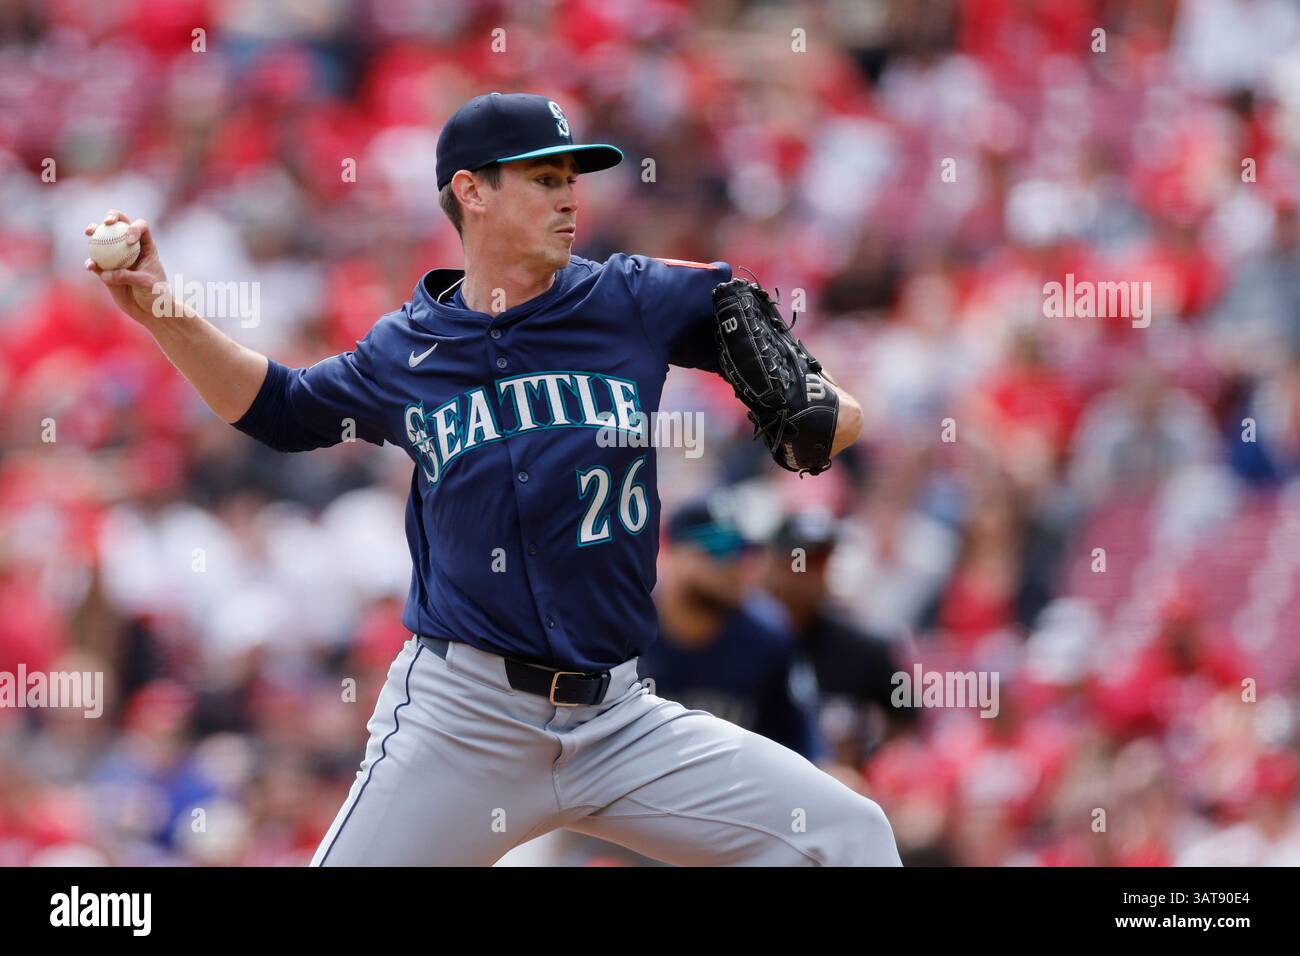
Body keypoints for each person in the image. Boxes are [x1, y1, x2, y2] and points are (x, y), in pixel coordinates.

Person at [86, 91, 899, 866]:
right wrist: (165, 310)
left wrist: (830, 407)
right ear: (471, 192)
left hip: (619, 720)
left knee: (848, 835)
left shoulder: (634, 299)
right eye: (544, 179)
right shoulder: (406, 350)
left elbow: (821, 403)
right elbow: (281, 409)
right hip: (463, 720)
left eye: (572, 180)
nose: (569, 198)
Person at [639, 499, 824, 761]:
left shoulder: (768, 636)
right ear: (673, 554)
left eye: (745, 552)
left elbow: (803, 747)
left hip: (735, 790)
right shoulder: (625, 628)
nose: (738, 566)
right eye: (722, 550)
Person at [763, 511, 918, 770]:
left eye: (821, 562)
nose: (811, 572)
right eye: (801, 560)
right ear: (774, 564)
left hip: (838, 787)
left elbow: (906, 717)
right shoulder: (746, 639)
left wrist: (873, 761)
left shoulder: (861, 648)